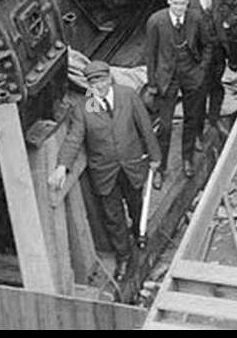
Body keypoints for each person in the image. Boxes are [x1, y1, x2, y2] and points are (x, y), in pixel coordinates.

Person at [50, 60, 160, 281]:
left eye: (101, 80)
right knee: (113, 216)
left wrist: (155, 158)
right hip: (105, 172)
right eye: (93, 82)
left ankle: (140, 234)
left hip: (131, 165)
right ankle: (123, 257)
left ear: (109, 78)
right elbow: (74, 138)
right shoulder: (84, 107)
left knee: (136, 203)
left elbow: (145, 127)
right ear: (88, 84)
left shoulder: (128, 95)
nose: (98, 86)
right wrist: (62, 167)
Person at [141, 0, 209, 182]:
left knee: (191, 119)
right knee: (166, 126)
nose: (180, 8)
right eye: (176, 3)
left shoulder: (195, 18)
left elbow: (207, 45)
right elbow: (150, 54)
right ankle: (160, 168)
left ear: (188, 3)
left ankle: (187, 158)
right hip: (166, 78)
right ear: (169, 1)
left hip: (191, 75)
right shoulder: (156, 21)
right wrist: (152, 82)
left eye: (183, 4)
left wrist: (201, 69)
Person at [187, 0, 237, 136]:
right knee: (199, 93)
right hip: (198, 54)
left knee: (216, 86)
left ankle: (213, 120)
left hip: (218, 50)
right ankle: (197, 133)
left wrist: (228, 22)